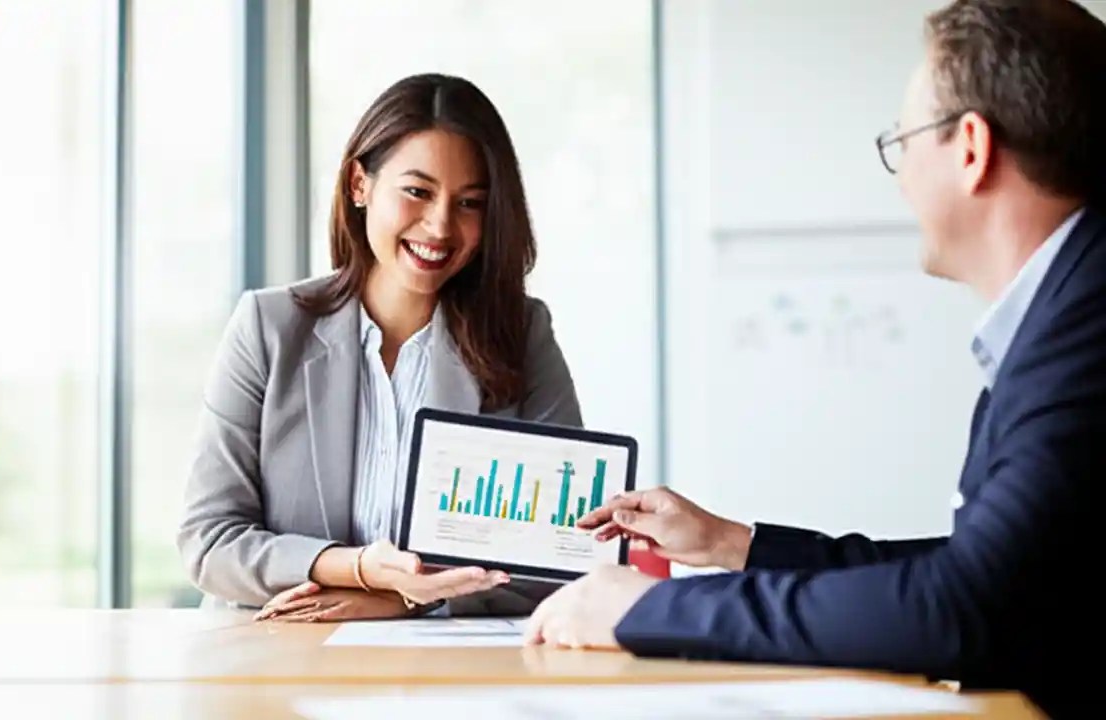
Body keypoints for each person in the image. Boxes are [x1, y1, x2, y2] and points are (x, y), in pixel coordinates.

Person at [524, 0, 1106, 715]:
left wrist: (650, 612)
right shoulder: (1064, 311)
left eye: (904, 140)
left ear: (972, 149)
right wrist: (730, 543)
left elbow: (963, 603)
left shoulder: (1085, 326)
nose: (898, 177)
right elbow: (979, 570)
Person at [176, 73, 582, 621]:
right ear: (359, 186)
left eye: (470, 203)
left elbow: (560, 557)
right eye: (417, 191)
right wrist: (357, 568)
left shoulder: (522, 333)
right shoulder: (267, 329)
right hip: (275, 651)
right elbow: (209, 539)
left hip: (444, 670)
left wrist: (397, 600)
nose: (440, 226)